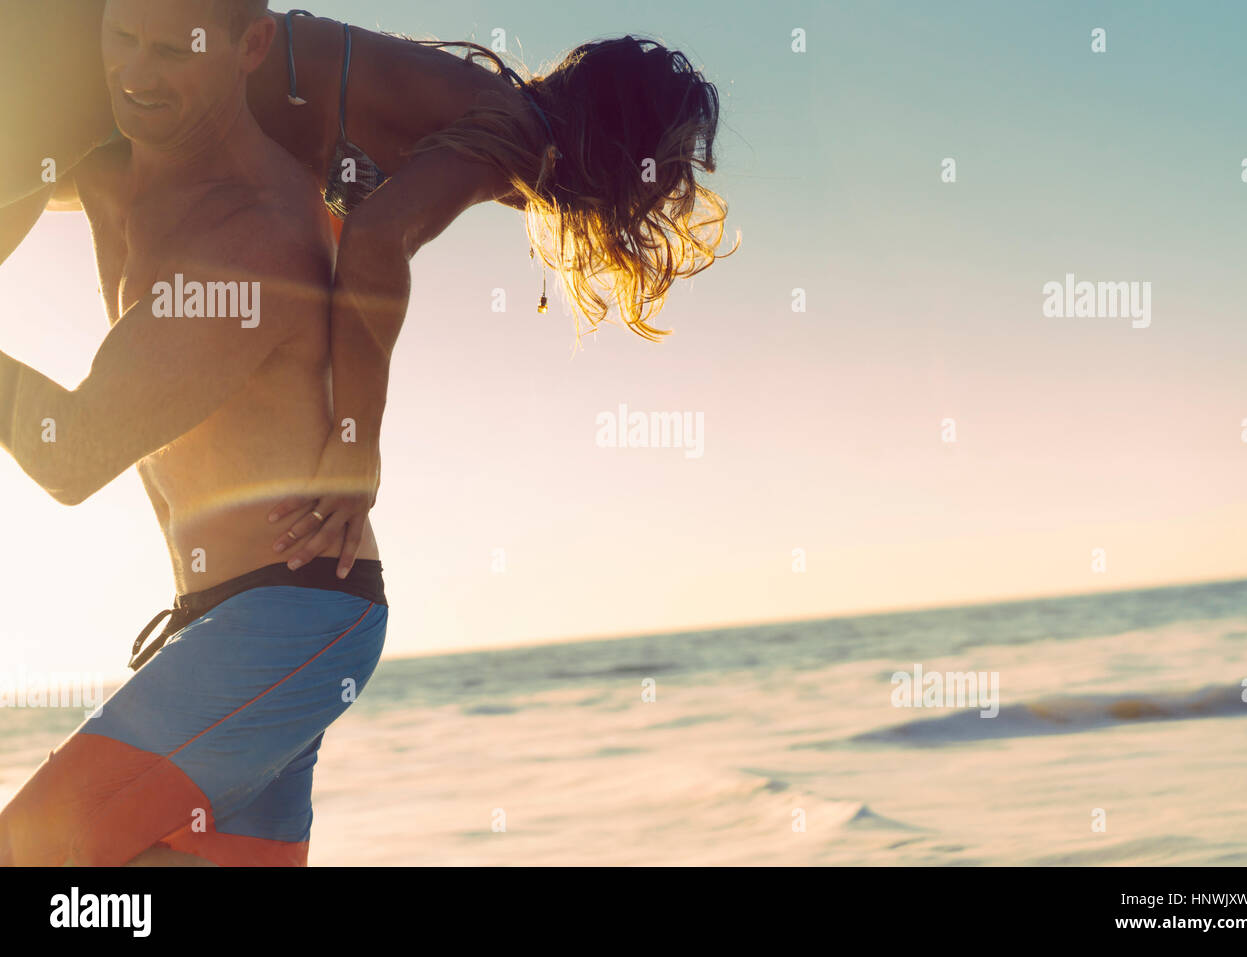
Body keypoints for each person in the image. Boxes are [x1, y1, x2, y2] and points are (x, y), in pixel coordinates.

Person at [0, 1, 735, 580]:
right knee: (78, 448)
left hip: (96, 71)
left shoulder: (485, 106)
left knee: (84, 437)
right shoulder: (515, 136)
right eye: (664, 171)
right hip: (85, 67)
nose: (658, 196)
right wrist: (357, 444)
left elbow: (147, 202)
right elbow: (379, 241)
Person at [0, 0, 388, 866]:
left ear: (250, 45)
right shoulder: (109, 177)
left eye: (176, 49)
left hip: (292, 617)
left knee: (31, 853)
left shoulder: (250, 237)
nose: (139, 73)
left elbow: (70, 453)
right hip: (231, 619)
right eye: (123, 40)